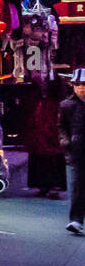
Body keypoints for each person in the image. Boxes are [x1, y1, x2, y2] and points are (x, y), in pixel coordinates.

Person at [62, 68, 85, 234]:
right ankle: (76, 220)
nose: (81, 88)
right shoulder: (67, 105)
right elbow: (61, 126)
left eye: (84, 85)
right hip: (77, 151)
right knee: (78, 185)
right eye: (77, 85)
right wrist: (66, 142)